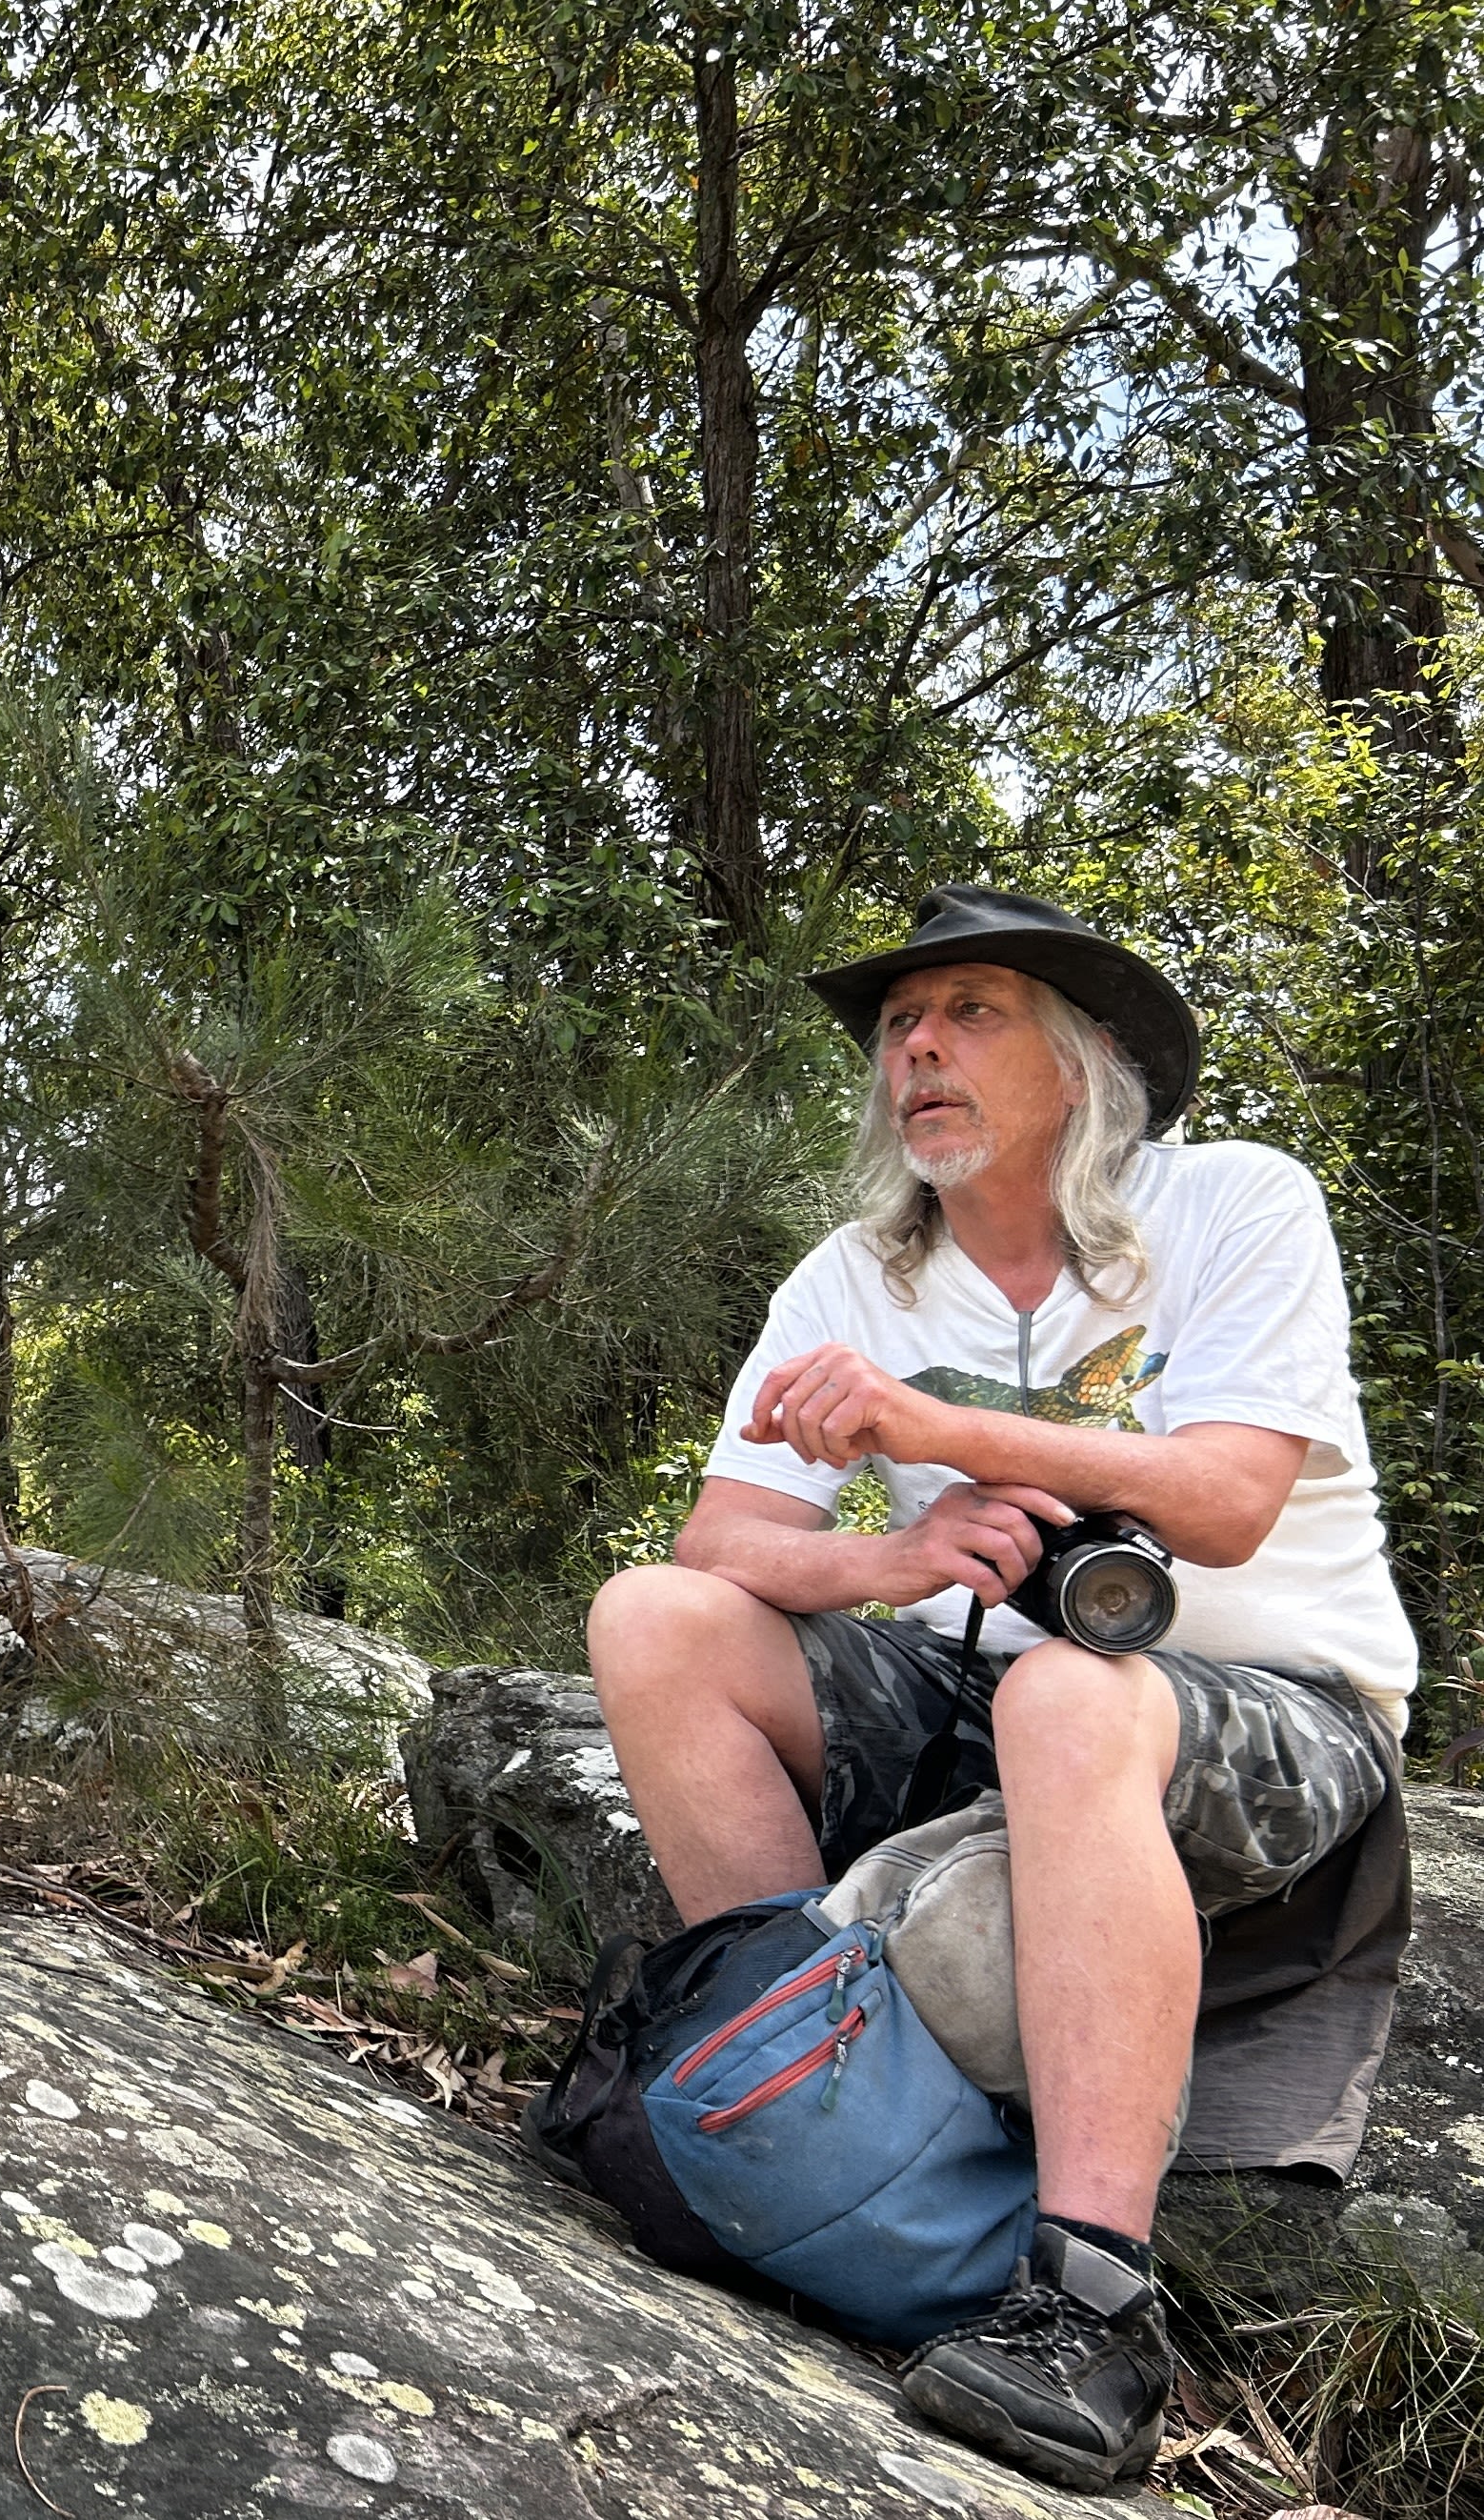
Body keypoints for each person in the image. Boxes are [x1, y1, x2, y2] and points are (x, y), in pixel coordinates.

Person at [589, 887, 1413, 2491]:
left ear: (1087, 1059)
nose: (915, 1048)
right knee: (648, 1620)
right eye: (899, 1027)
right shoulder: (853, 1274)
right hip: (986, 1680)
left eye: (968, 1010)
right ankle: (803, 2112)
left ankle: (1090, 2302)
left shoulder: (1236, 1203)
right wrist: (894, 1561)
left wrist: (936, 1430)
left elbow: (1227, 1499)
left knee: (1066, 1701)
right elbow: (720, 1545)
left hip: (1266, 1699)